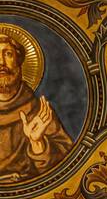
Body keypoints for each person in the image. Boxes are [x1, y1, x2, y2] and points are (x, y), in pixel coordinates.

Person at [0, 28, 72, 182]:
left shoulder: (39, 112)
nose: (1, 62)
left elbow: (67, 169)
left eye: (8, 54)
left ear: (19, 64)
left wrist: (37, 143)